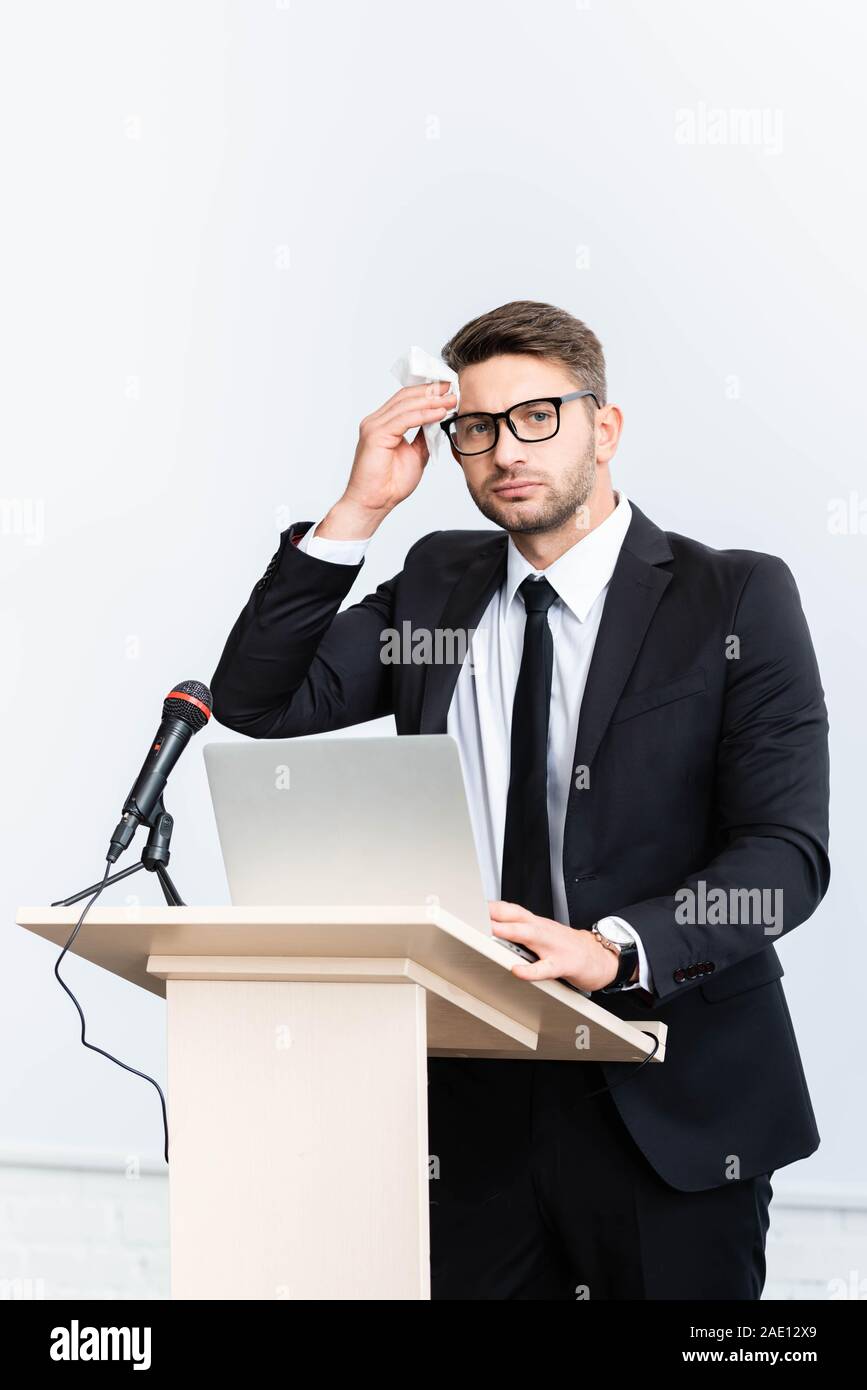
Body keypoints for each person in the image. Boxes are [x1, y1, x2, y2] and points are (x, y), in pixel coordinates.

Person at [209, 299, 830, 1300]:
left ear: (606, 426)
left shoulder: (733, 598)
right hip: (474, 1105)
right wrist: (359, 510)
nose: (506, 449)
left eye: (538, 415)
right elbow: (258, 699)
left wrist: (615, 947)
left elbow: (784, 856)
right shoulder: (438, 584)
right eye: (478, 427)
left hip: (670, 1099)